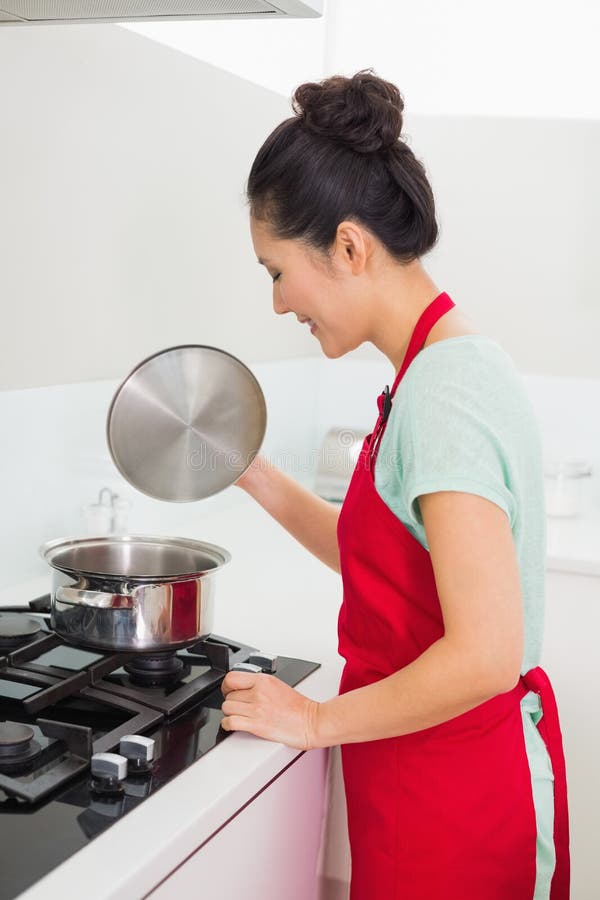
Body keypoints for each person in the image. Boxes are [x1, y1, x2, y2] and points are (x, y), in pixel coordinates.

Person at [219, 69, 569, 900]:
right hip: (417, 781)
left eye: (276, 271)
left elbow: (483, 655)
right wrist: (250, 472)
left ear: (348, 246)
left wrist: (312, 720)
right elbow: (388, 568)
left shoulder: (445, 391)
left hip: (455, 800)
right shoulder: (432, 372)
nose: (276, 304)